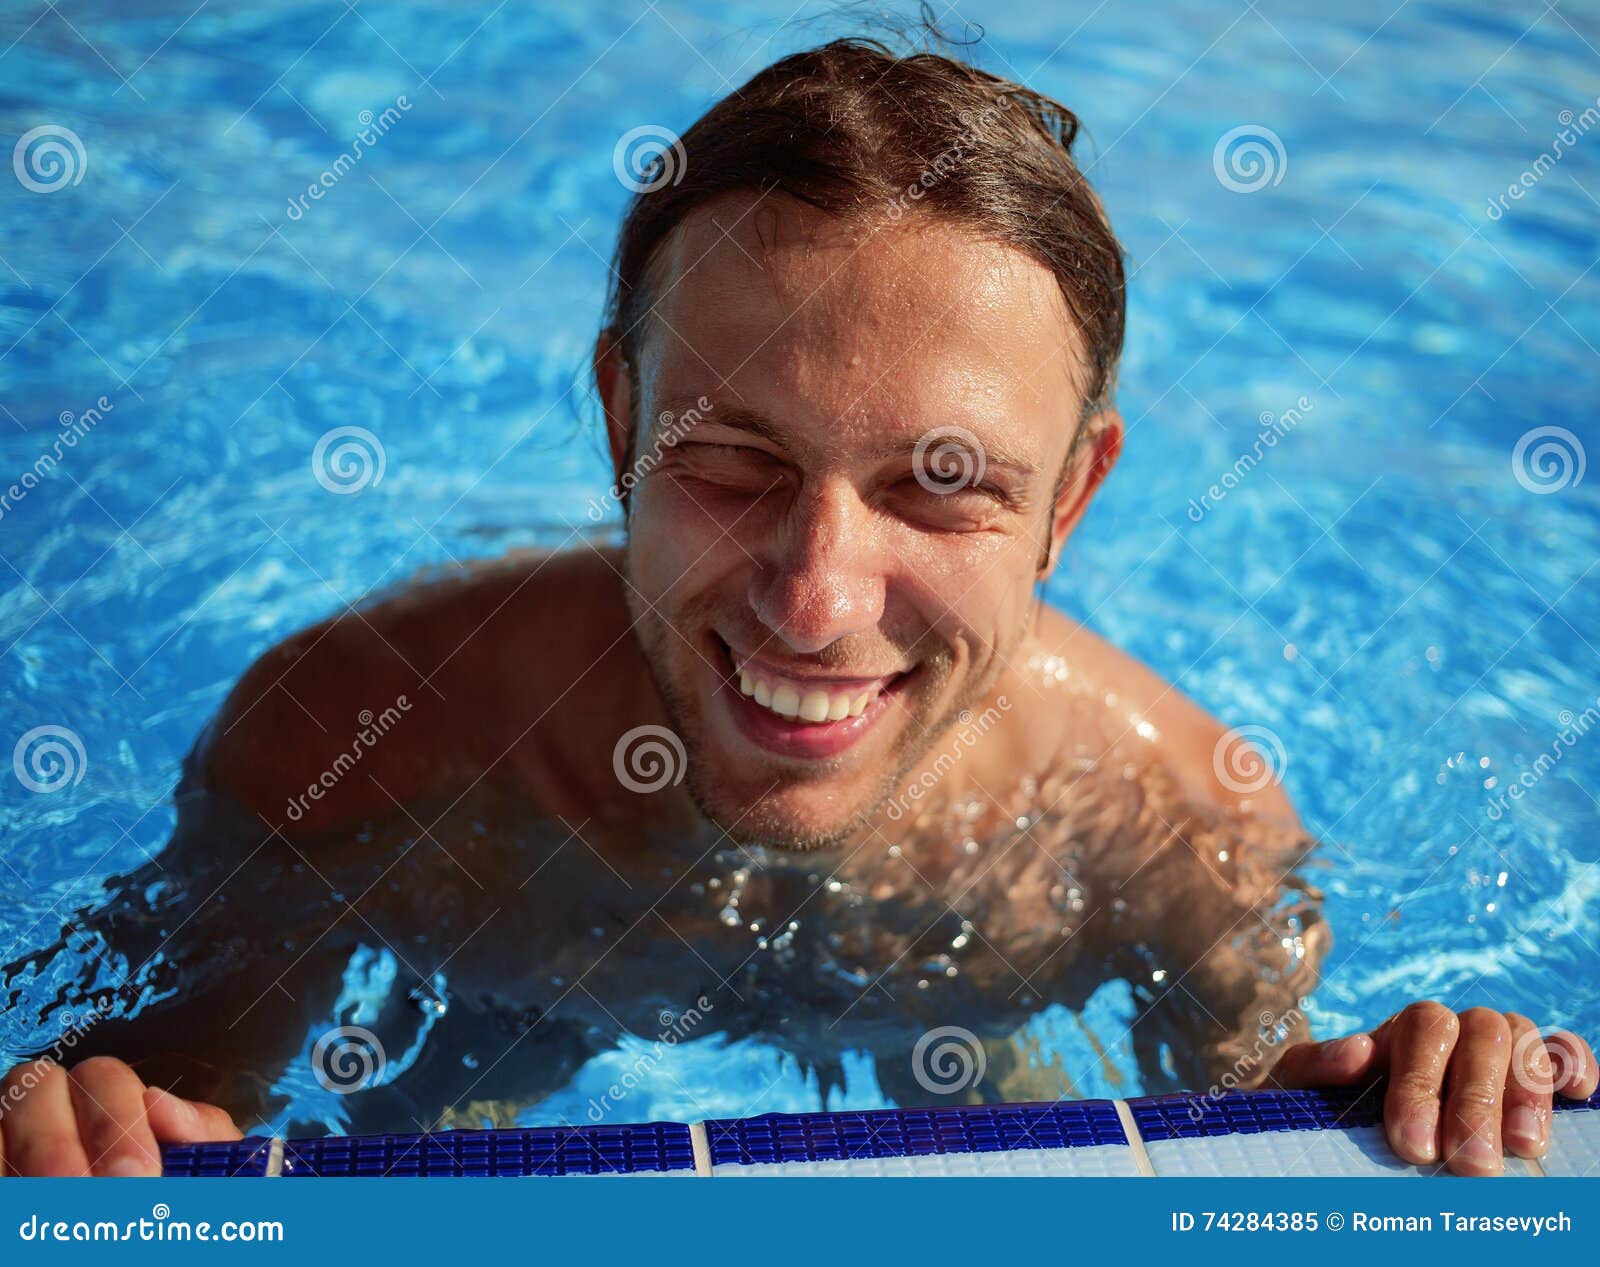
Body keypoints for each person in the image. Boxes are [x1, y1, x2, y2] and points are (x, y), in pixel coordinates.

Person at [2, 37, 1592, 1179]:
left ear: (1072, 502)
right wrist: (98, 1130)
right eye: (733, 465)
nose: (815, 602)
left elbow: (1240, 1161)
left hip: (941, 1020)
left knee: (995, 1115)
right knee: (439, 1105)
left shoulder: (1172, 831)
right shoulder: (354, 742)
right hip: (500, 991)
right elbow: (177, 1111)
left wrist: (1410, 1099)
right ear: (625, 426)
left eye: (940, 483)